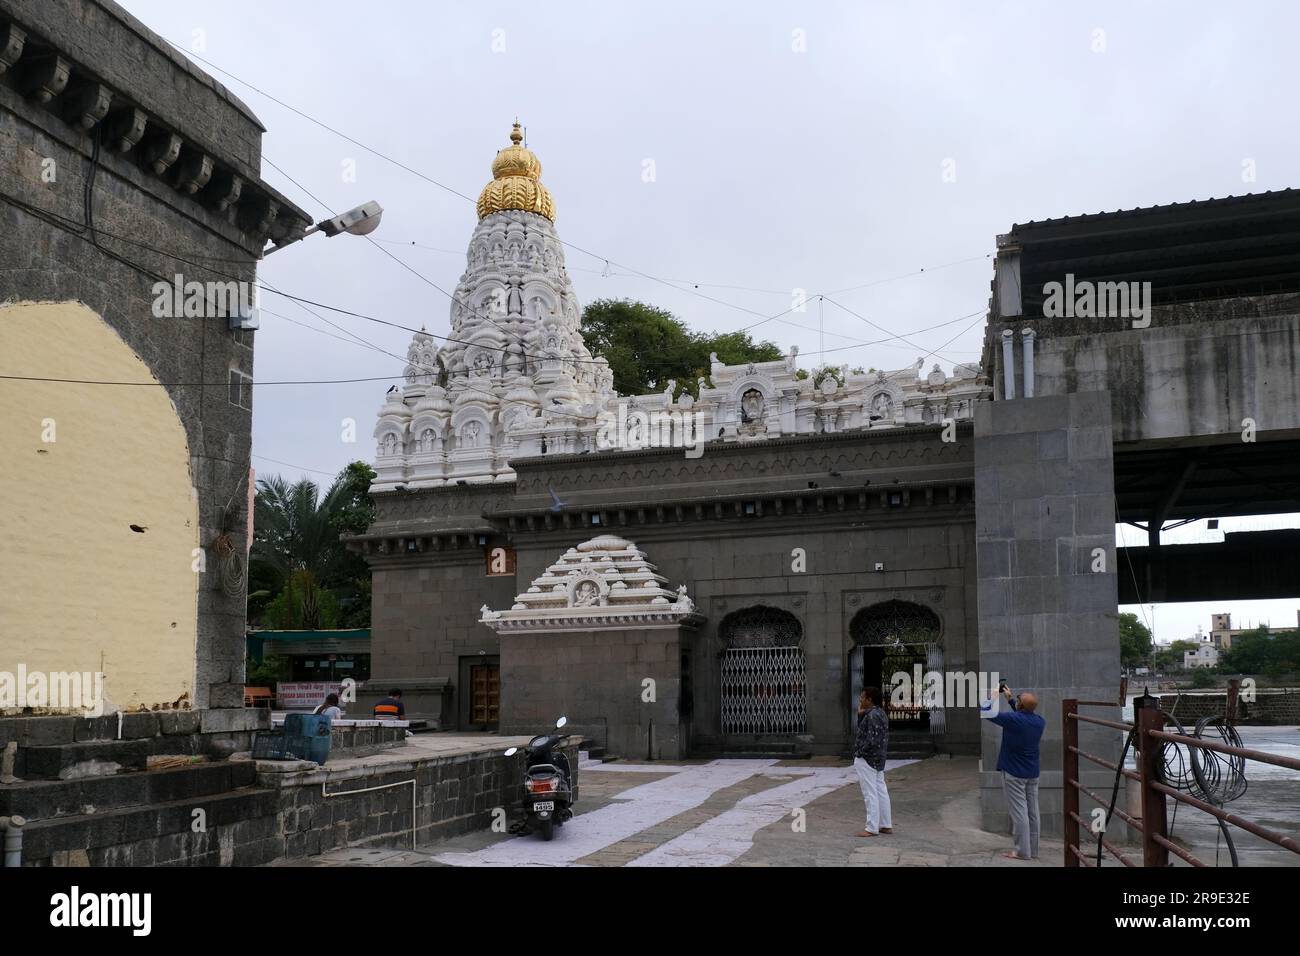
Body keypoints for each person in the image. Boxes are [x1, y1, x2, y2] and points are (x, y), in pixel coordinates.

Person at [988, 683, 1045, 861]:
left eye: (1018, 700)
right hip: (1032, 773)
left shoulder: (1013, 720)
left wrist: (993, 697)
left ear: (1020, 706)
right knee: (1033, 813)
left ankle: (1022, 852)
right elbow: (1022, 715)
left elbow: (986, 712)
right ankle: (1033, 851)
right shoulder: (1039, 721)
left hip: (1014, 773)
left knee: (1019, 814)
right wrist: (1011, 699)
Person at [853, 686, 892, 837]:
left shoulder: (872, 715)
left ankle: (871, 827)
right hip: (878, 758)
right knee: (880, 790)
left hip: (868, 759)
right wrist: (860, 715)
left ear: (869, 699)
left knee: (870, 793)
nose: (860, 700)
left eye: (862, 697)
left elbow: (871, 739)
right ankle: (885, 824)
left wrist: (860, 752)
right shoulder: (879, 713)